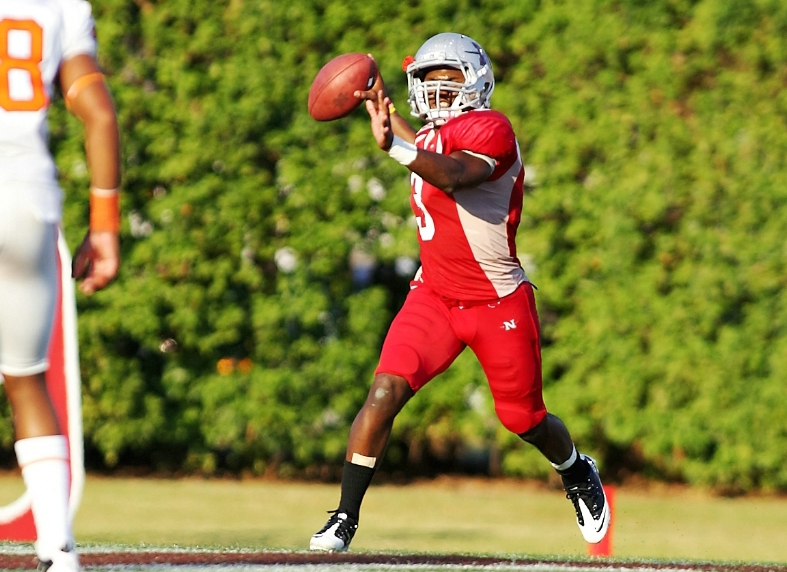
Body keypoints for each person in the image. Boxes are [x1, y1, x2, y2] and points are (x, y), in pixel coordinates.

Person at [309, 33, 609, 552]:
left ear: (476, 82)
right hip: (434, 297)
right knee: (382, 393)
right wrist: (381, 107)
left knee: (523, 419)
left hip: (497, 302)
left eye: (448, 79)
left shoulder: (493, 128)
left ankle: (576, 469)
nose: (437, 89)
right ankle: (344, 516)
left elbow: (452, 175)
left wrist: (395, 145)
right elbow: (419, 146)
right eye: (428, 80)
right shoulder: (426, 135)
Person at [0, 0, 121, 570]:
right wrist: (105, 228)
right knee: (26, 383)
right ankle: (58, 550)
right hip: (25, 198)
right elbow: (99, 114)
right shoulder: (59, 4)